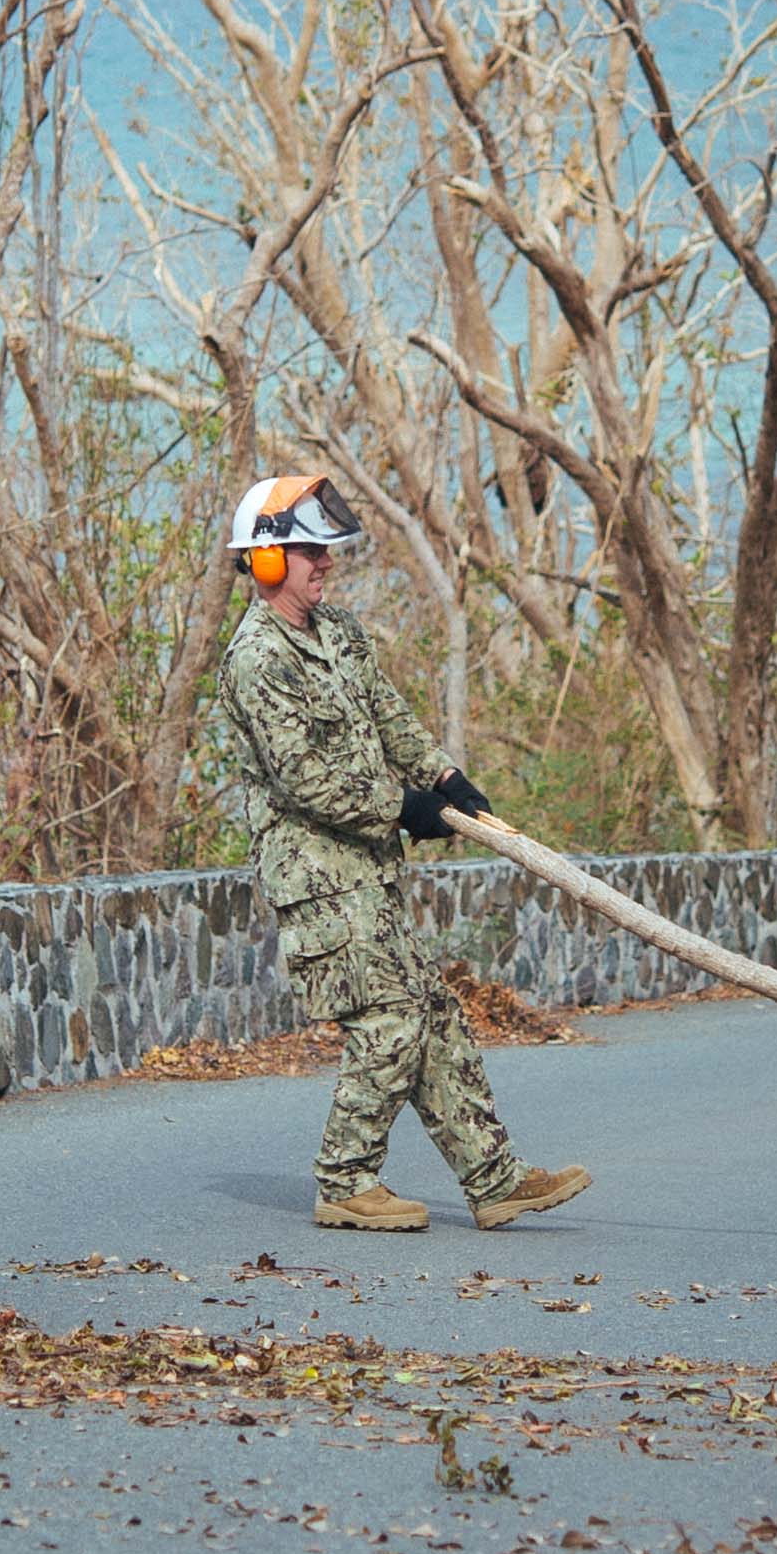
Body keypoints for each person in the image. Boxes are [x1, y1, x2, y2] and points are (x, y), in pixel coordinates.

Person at [211, 473, 586, 1236]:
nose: (326, 563)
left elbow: (388, 716)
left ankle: (493, 1180)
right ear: (267, 560)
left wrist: (443, 778)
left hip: (369, 872)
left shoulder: (338, 632)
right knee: (390, 1018)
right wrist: (406, 809)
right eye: (309, 552)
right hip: (318, 881)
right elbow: (306, 781)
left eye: (325, 551)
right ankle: (345, 1180)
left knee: (433, 1013)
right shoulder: (256, 659)